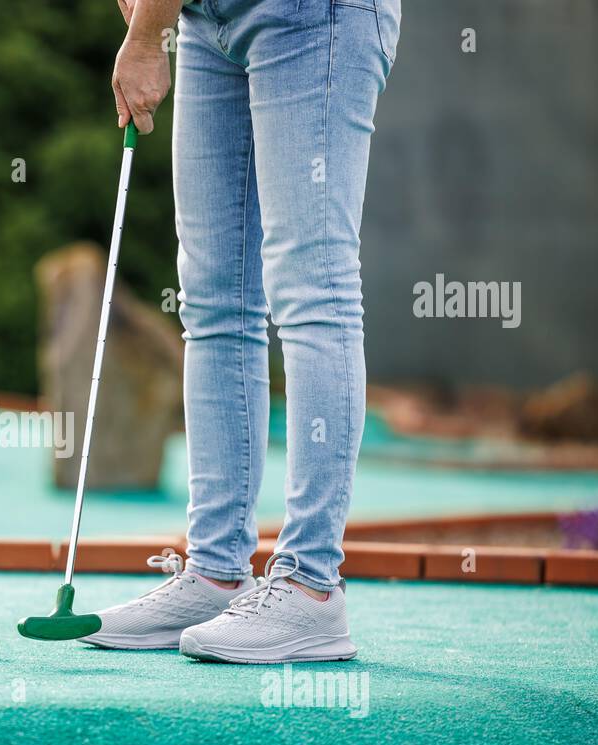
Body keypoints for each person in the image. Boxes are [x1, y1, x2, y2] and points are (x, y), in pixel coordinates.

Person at [86, 0, 400, 663]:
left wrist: (145, 35)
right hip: (206, 20)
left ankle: (311, 587)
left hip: (313, 15)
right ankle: (216, 574)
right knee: (213, 301)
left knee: (313, 288)